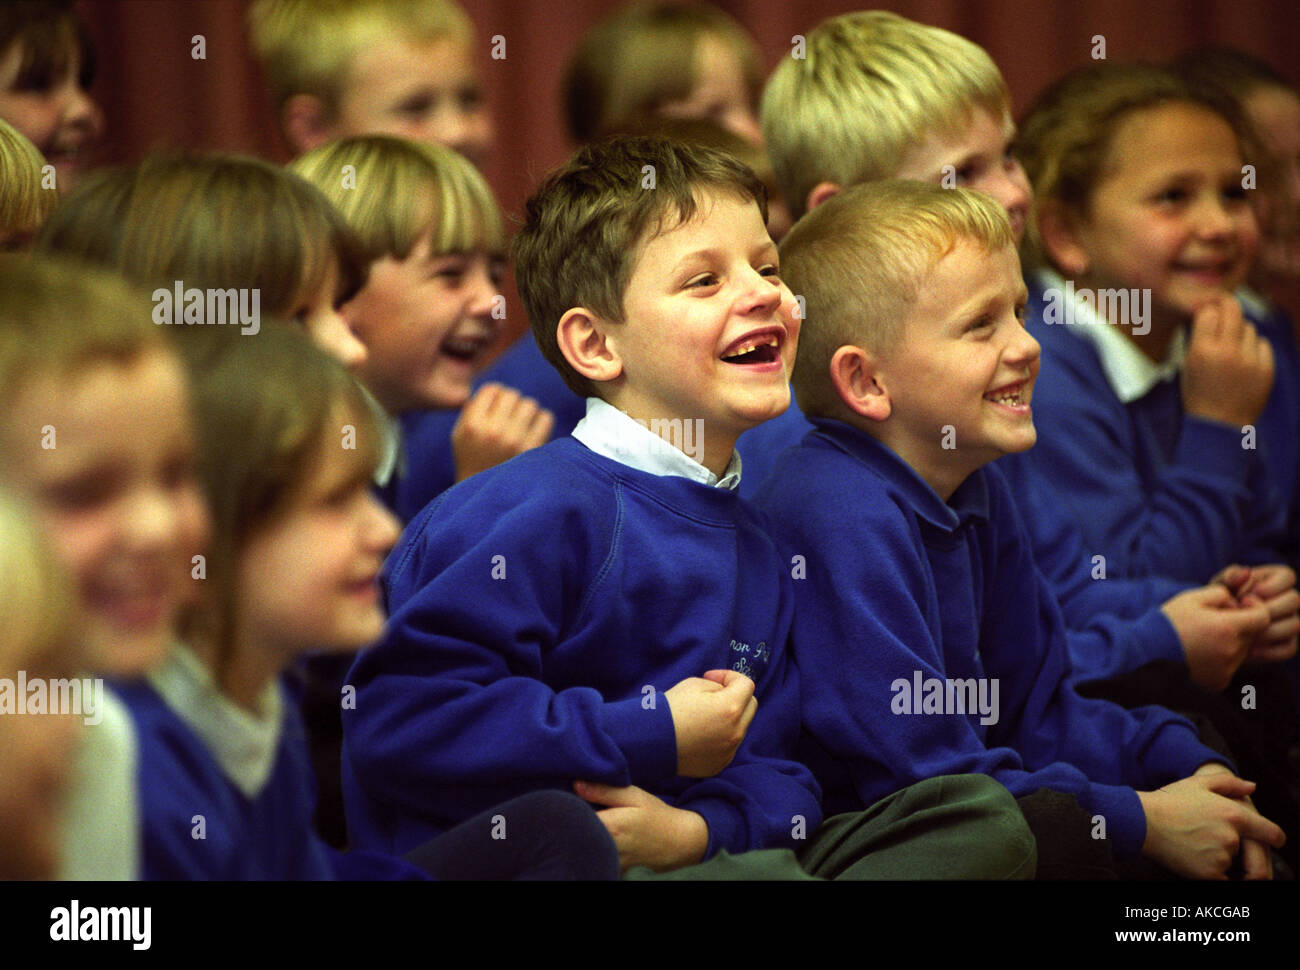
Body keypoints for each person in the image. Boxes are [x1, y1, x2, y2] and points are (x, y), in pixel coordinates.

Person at [341, 136, 1037, 880]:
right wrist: (651, 731)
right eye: (704, 281)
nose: (766, 292)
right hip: (533, 862)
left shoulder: (761, 537)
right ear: (596, 345)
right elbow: (401, 723)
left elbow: (784, 772)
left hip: (695, 856)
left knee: (976, 821)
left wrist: (702, 831)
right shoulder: (529, 511)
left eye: (768, 268)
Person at [755, 178, 1286, 879]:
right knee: (1052, 833)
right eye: (983, 325)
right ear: (867, 382)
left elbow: (1037, 711)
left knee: (1197, 738)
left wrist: (1188, 768)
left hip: (964, 789)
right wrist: (1140, 818)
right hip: (856, 827)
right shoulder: (832, 506)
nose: (1027, 346)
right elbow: (922, 776)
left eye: (1019, 312)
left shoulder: (977, 481)